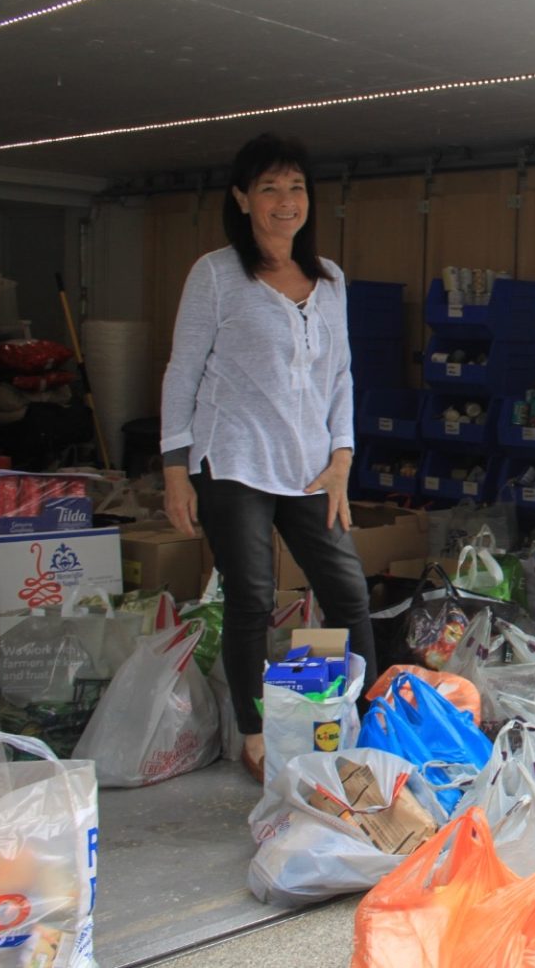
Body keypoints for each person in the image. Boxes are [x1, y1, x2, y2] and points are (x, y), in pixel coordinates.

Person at [160, 132, 376, 782]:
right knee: (252, 598)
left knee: (346, 593)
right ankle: (258, 733)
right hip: (235, 459)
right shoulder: (216, 274)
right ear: (242, 199)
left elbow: (341, 376)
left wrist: (343, 454)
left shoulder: (330, 278)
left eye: (297, 187)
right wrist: (174, 466)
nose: (286, 201)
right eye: (270, 188)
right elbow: (182, 371)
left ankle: (333, 711)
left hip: (312, 465)